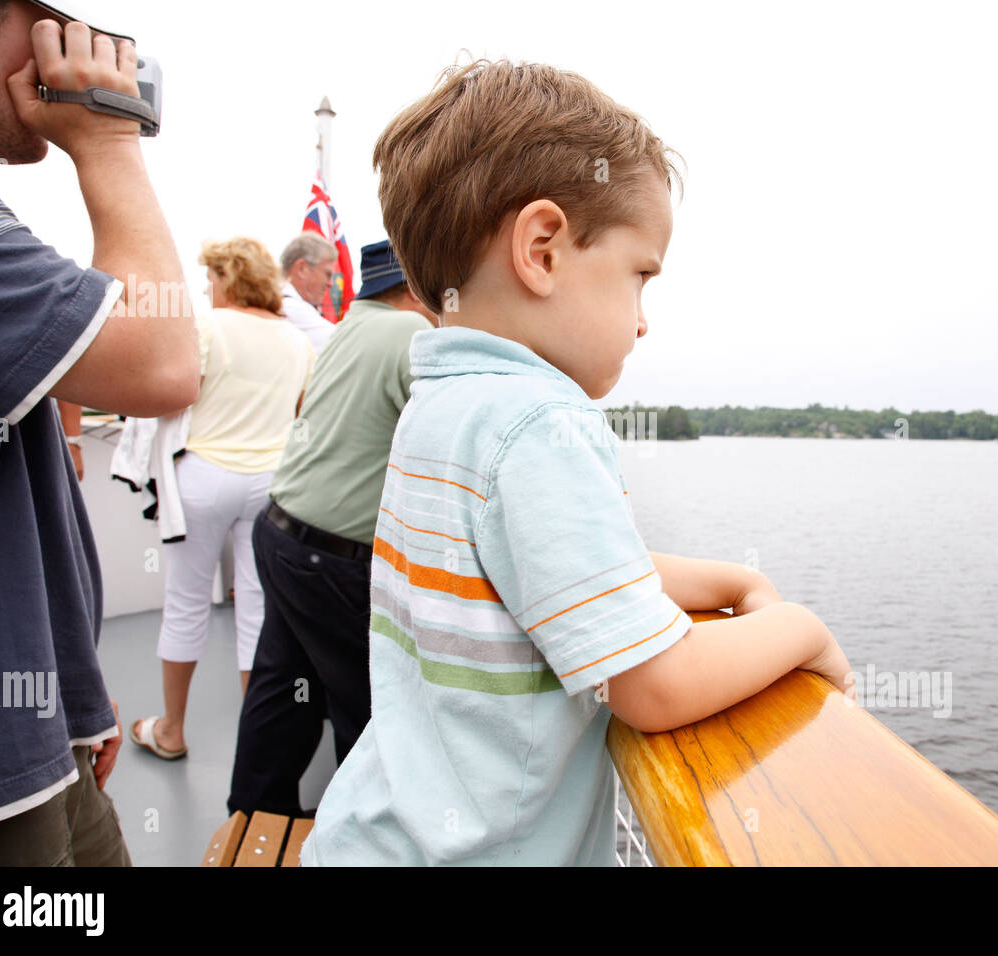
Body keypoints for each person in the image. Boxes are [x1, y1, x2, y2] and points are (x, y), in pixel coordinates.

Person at [303, 60, 853, 867]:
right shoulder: (538, 422)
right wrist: (798, 630)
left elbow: (571, 572)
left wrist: (727, 582)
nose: (642, 323)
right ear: (543, 248)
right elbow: (653, 686)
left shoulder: (444, 397)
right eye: (640, 277)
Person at [0, 0, 199, 865]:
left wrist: (70, 695)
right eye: (50, 20)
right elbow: (165, 364)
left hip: (29, 728)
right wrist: (108, 140)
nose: (81, 54)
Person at [227, 239, 436, 818]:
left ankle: (254, 814)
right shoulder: (411, 337)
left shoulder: (349, 325)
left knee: (281, 684)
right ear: (417, 287)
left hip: (280, 531)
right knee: (369, 708)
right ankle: (364, 833)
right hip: (333, 560)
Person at [130, 237, 315, 761]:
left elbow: (175, 391)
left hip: (205, 478)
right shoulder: (295, 339)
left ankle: (170, 730)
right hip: (268, 484)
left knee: (186, 601)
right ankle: (256, 741)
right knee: (258, 608)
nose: (207, 288)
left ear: (229, 278)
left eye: (211, 278)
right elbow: (301, 413)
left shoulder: (207, 328)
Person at [278, 233, 338, 354]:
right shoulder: (291, 308)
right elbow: (343, 344)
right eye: (327, 274)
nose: (331, 283)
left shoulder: (283, 303)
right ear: (302, 269)